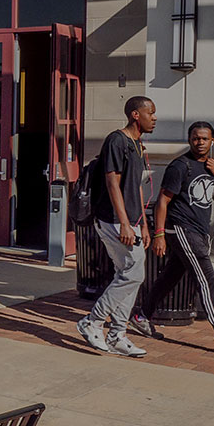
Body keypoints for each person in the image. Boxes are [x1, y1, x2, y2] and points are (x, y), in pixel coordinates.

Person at [138, 123, 214, 354]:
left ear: (212, 141)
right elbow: (162, 201)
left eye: (204, 138)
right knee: (206, 279)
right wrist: (159, 234)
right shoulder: (180, 166)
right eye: (195, 138)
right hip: (181, 228)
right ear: (189, 140)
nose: (199, 142)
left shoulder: (212, 166)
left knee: (170, 277)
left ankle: (141, 315)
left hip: (199, 231)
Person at [79, 96, 156, 357]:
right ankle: (92, 321)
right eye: (150, 113)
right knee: (133, 274)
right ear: (136, 115)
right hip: (112, 219)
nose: (154, 118)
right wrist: (124, 222)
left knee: (130, 274)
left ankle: (117, 336)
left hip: (131, 221)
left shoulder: (138, 145)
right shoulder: (117, 140)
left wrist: (143, 224)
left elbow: (135, 187)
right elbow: (113, 183)